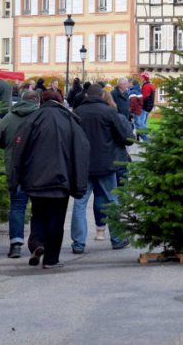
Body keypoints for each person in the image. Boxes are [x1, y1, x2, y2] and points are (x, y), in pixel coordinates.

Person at [9, 91, 90, 269]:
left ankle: (37, 243)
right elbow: (81, 152)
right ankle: (51, 259)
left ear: (41, 102)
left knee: (38, 213)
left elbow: (18, 150)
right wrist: (79, 184)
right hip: (61, 179)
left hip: (35, 179)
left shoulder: (32, 120)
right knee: (56, 219)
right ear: (60, 101)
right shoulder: (70, 122)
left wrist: (15, 179)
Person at [70, 84, 134, 254]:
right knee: (112, 201)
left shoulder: (77, 112)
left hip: (83, 165)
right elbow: (125, 137)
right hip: (106, 163)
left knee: (80, 203)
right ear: (101, 95)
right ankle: (118, 239)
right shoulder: (109, 112)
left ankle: (78, 242)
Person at [0, 88, 41, 258]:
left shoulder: (8, 118)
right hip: (38, 172)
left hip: (15, 170)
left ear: (21, 100)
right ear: (37, 101)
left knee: (17, 207)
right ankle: (37, 243)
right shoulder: (40, 117)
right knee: (39, 208)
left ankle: (15, 245)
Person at [138, 73, 156, 141]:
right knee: (144, 122)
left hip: (145, 106)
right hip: (150, 106)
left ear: (144, 78)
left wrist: (139, 104)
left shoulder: (146, 86)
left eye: (141, 77)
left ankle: (150, 136)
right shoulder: (151, 85)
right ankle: (147, 138)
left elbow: (144, 97)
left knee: (142, 123)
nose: (140, 78)